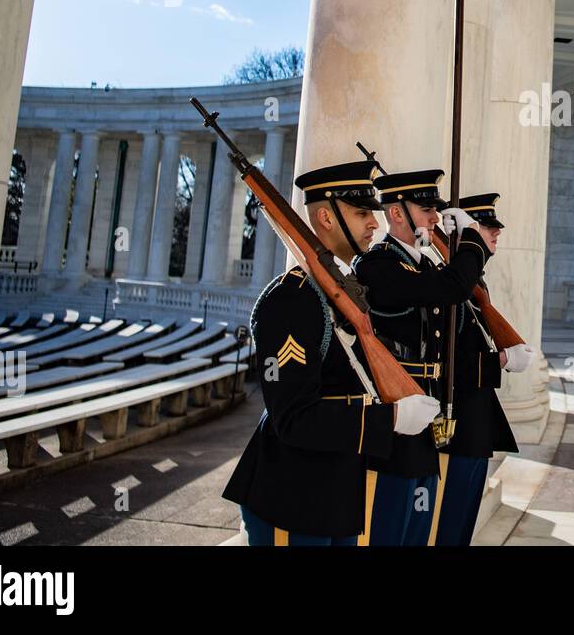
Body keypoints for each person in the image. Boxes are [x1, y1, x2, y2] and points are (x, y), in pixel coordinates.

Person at [222, 160, 439, 545]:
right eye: (361, 213)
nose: (375, 223)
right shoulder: (293, 298)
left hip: (334, 499)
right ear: (325, 216)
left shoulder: (342, 293)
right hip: (291, 500)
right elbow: (293, 418)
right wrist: (388, 419)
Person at [354, 168, 492, 545]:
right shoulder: (377, 265)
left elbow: (467, 289)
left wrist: (466, 249)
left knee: (417, 526)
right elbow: (452, 287)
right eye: (426, 208)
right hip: (398, 410)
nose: (435, 217)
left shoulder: (423, 264)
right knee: (393, 524)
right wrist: (471, 239)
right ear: (397, 213)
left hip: (426, 408)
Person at [430, 192, 533, 545]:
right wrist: (500, 361)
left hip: (474, 423)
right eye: (485, 226)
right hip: (456, 426)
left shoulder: (476, 283)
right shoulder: (446, 284)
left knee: (461, 524)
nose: (495, 232)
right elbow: (443, 362)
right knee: (448, 523)